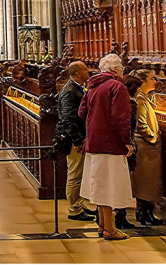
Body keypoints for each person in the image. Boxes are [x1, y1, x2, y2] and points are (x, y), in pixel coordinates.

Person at [78, 54, 135, 240]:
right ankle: (110, 229)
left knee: (100, 184)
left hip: (94, 142)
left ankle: (103, 225)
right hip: (111, 144)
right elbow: (121, 117)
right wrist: (127, 140)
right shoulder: (117, 86)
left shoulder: (92, 86)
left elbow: (82, 112)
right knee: (109, 186)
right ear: (116, 70)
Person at [55, 61, 97, 222]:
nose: (89, 71)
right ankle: (74, 209)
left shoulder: (77, 87)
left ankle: (80, 203)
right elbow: (68, 119)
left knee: (80, 173)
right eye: (85, 69)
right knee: (75, 174)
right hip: (72, 140)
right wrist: (77, 140)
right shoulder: (69, 91)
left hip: (78, 137)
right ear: (78, 74)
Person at [127, 70, 163, 226]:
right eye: (152, 78)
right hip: (146, 147)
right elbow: (141, 124)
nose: (155, 81)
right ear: (142, 81)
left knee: (147, 184)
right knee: (145, 183)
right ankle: (144, 213)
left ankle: (146, 212)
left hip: (147, 148)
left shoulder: (143, 96)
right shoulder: (140, 99)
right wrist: (153, 138)